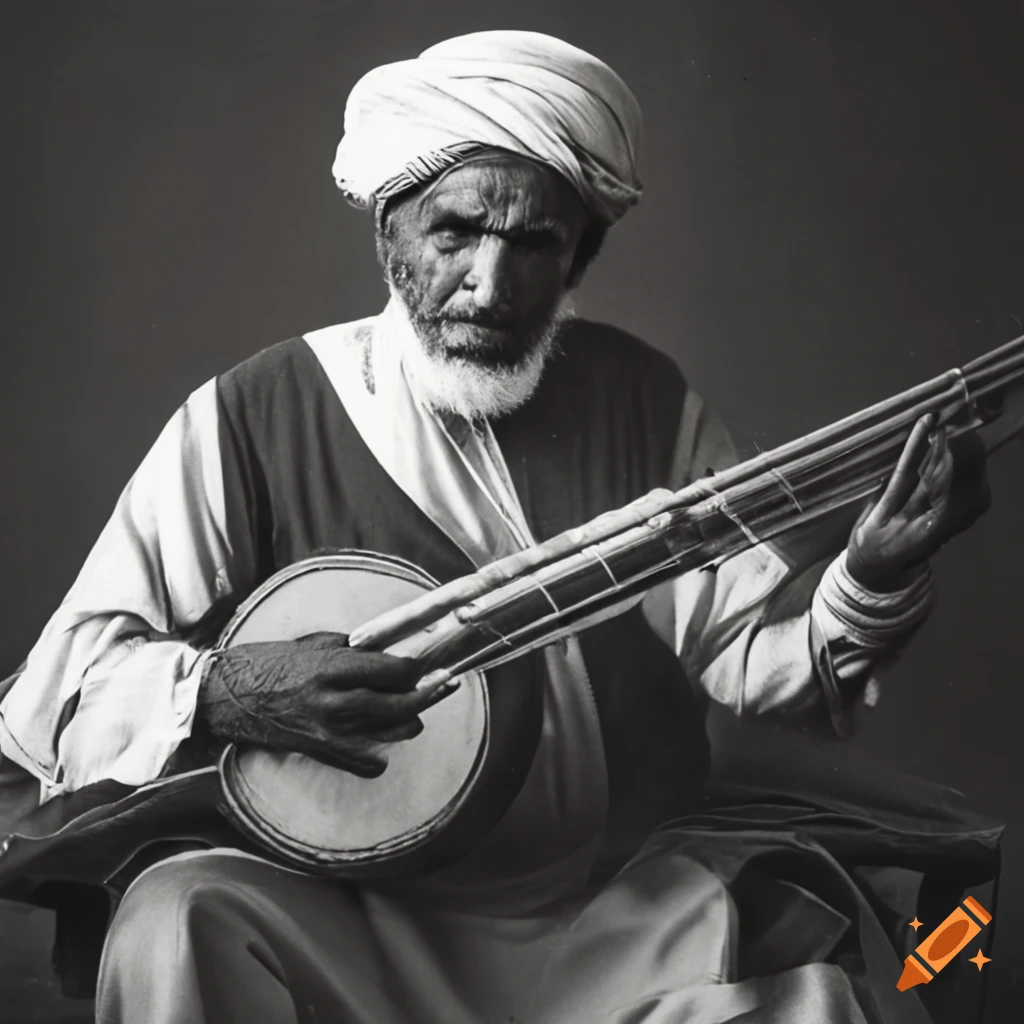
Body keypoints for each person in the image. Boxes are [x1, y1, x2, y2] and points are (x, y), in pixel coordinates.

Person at [0, 29, 999, 1024]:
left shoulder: (643, 397)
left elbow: (755, 660)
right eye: (455, 232)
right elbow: (56, 689)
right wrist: (231, 688)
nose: (490, 280)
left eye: (534, 243)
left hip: (611, 918)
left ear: (578, 256)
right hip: (346, 913)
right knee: (171, 918)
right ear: (389, 229)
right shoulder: (253, 414)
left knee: (819, 1006)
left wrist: (873, 568)